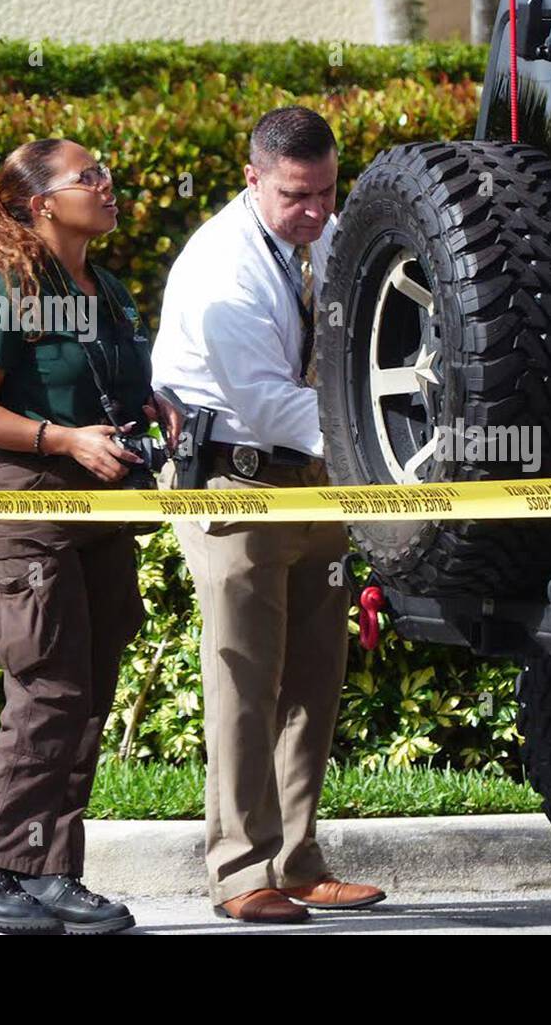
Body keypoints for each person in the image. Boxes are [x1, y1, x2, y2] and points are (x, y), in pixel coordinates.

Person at [0, 138, 177, 935]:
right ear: (42, 205)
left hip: (103, 509)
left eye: (106, 168)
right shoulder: (9, 291)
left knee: (87, 695)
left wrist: (155, 405)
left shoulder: (104, 288)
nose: (108, 183)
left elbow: (107, 384)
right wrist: (64, 441)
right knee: (47, 694)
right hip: (34, 508)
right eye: (88, 176)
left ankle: (48, 871)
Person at [152, 106, 384, 923]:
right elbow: (265, 402)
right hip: (235, 483)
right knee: (244, 680)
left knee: (316, 674)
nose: (318, 211)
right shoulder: (223, 269)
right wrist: (379, 443)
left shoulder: (327, 230)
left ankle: (295, 858)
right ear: (252, 180)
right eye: (296, 196)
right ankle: (238, 872)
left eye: (327, 189)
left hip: (316, 482)